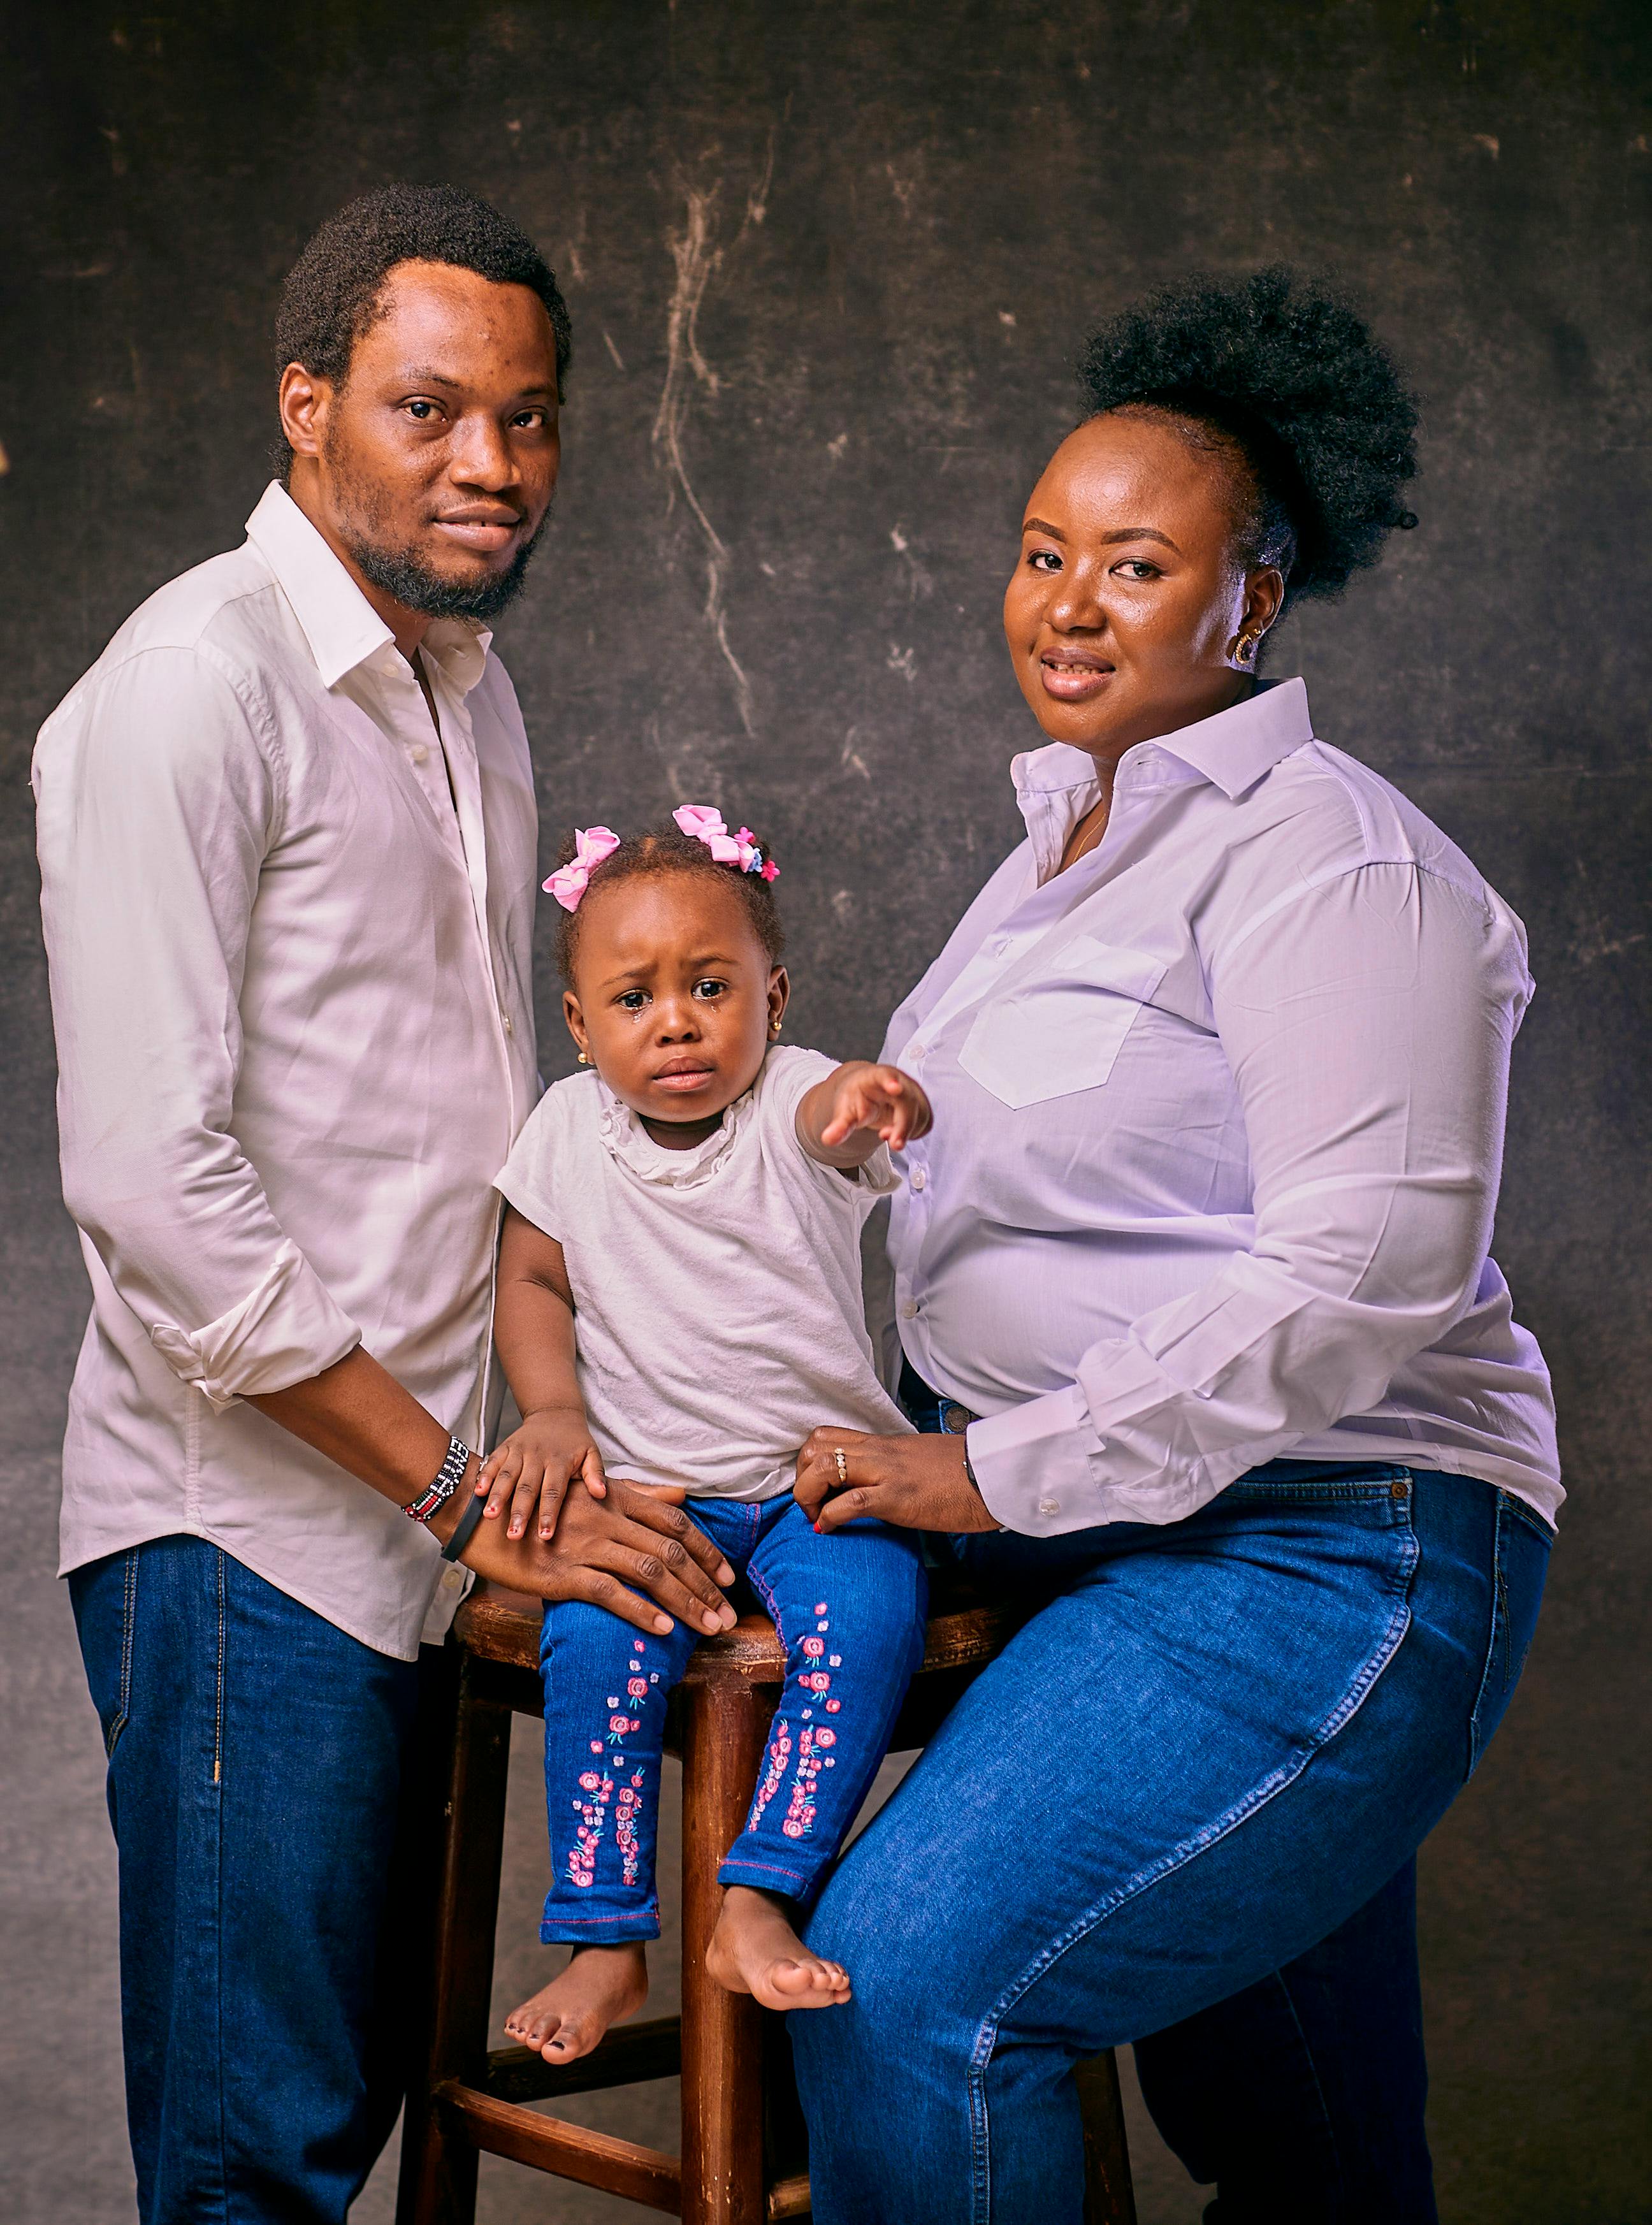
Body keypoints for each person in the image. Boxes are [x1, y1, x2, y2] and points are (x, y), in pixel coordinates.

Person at [786, 268, 1560, 2224]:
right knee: (1312, 2159)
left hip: (1319, 1544)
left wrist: (984, 1463)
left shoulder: (1334, 857)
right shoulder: (1063, 848)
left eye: (1135, 565)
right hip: (1110, 1525)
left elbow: (1354, 1278)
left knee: (915, 1990)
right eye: (1046, 552)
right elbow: (1058, 1196)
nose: (1066, 603)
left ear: (1252, 600)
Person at [33, 184, 735, 2225]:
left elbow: (446, 1126)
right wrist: (446, 1483)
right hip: (249, 1527)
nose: (491, 465)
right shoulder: (196, 684)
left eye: (527, 418)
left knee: (343, 2109)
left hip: (433, 1509)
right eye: (433, 411)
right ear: (309, 403)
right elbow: (154, 1191)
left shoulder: (462, 686)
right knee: (257, 2160)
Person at [471, 809, 932, 2062]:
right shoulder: (568, 1128)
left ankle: (759, 1894)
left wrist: (867, 1093)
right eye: (632, 999)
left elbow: (828, 1121)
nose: (675, 1021)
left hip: (810, 1487)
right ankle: (606, 1939)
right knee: (593, 1641)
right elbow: (531, 1282)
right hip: (651, 1498)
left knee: (873, 1608)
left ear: (774, 999)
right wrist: (553, 1412)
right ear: (580, 1026)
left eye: (711, 987)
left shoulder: (793, 1092)